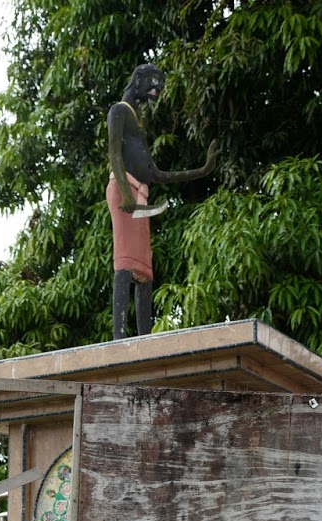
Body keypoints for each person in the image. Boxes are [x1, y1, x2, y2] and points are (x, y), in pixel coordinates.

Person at [106, 64, 218, 340]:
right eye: (153, 80)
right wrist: (126, 193)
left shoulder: (137, 123)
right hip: (125, 192)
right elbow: (114, 154)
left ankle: (145, 337)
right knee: (125, 262)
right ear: (138, 81)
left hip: (141, 195)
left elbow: (157, 174)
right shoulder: (119, 111)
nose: (157, 86)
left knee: (144, 268)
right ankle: (119, 337)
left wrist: (203, 170)